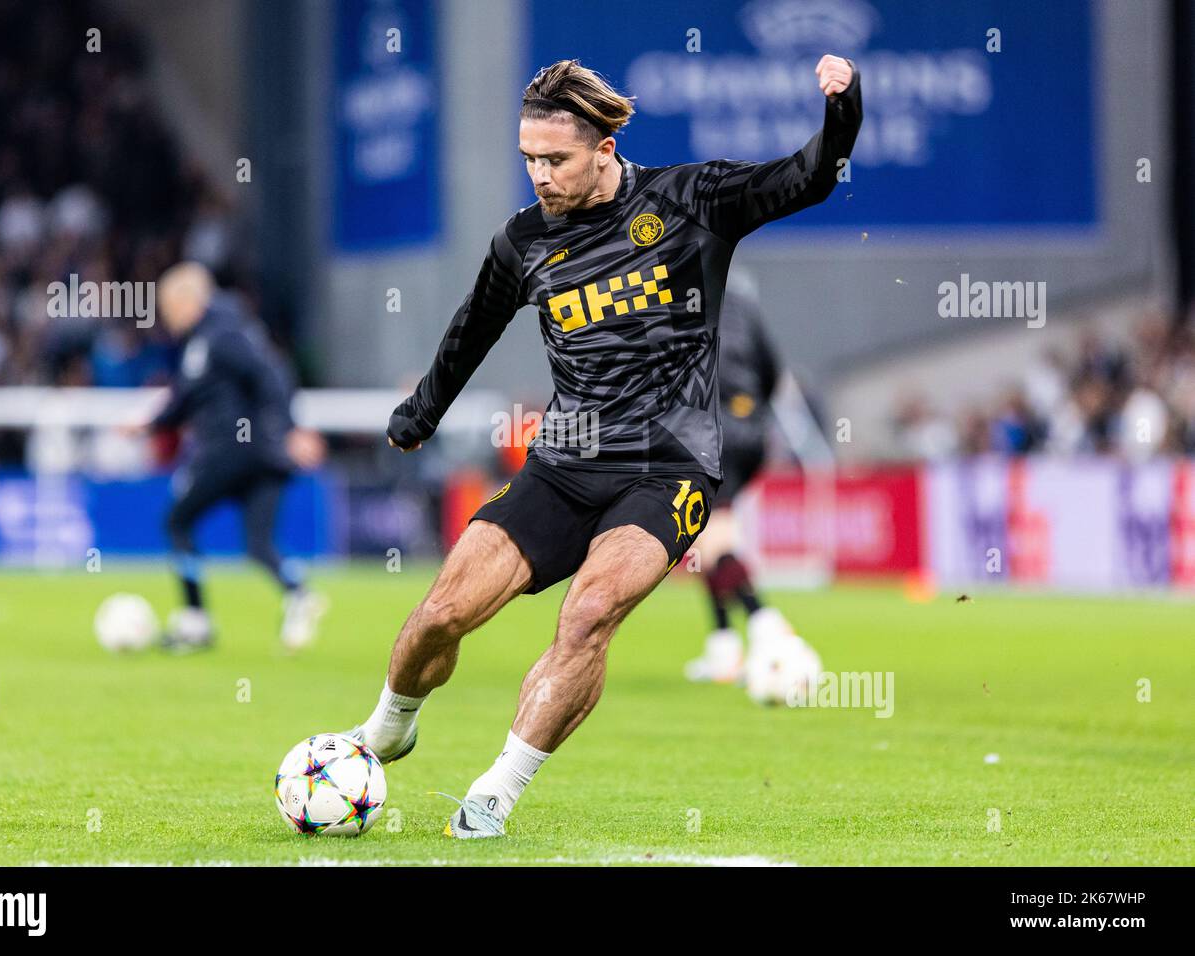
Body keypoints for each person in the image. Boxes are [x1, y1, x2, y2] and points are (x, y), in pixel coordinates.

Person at [341, 55, 861, 838]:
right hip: (561, 467)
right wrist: (420, 412)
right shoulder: (523, 242)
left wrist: (843, 107)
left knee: (587, 615)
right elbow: (472, 329)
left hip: (668, 471)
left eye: (555, 160)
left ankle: (496, 793)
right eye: (529, 161)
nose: (540, 177)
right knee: (440, 614)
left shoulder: (691, 201)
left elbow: (811, 177)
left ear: (605, 149)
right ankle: (389, 726)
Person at [123, 263, 328, 651]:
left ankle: (195, 620)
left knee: (178, 521)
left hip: (233, 451)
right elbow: (187, 400)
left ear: (187, 300)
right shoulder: (214, 338)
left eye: (169, 306)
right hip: (262, 455)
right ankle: (298, 592)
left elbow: (270, 374)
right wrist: (150, 425)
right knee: (258, 544)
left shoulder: (220, 336)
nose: (166, 316)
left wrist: (289, 428)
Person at [682, 270, 798, 685]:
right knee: (702, 537)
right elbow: (772, 370)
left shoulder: (678, 299)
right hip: (751, 432)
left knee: (712, 538)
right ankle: (723, 647)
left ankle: (765, 622)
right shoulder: (745, 304)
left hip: (709, 432)